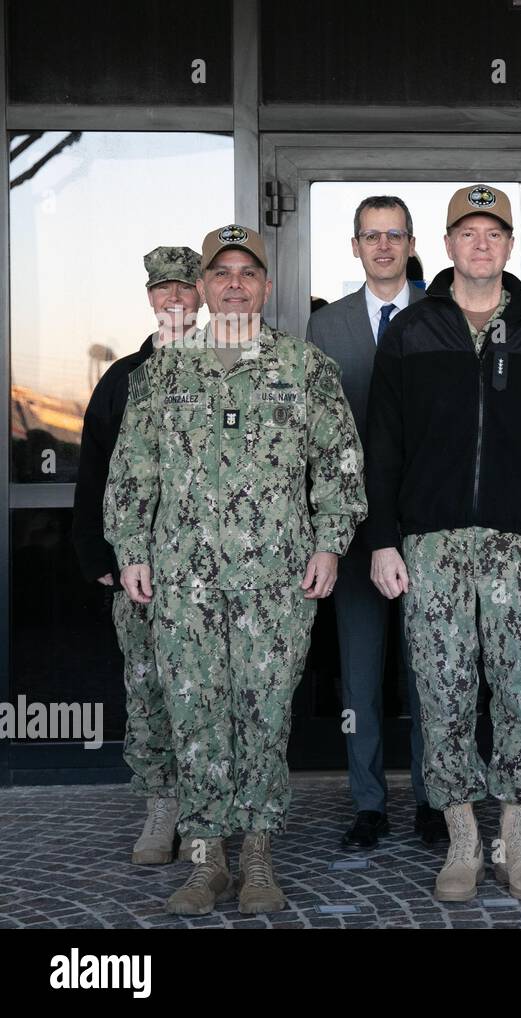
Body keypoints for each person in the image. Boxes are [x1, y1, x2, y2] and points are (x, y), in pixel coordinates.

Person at [105, 224, 367, 916]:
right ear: (203, 286)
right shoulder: (164, 371)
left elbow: (340, 465)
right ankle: (206, 861)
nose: (233, 284)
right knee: (195, 716)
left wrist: (330, 544)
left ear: (266, 287)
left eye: (247, 273)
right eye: (220, 273)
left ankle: (257, 855)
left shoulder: (305, 368)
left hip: (275, 582)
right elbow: (132, 470)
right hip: (182, 580)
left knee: (263, 715)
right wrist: (131, 550)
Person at [366, 185, 521, 902]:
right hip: (432, 545)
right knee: (443, 693)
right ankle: (463, 840)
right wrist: (384, 541)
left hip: (520, 546)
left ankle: (515, 839)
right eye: (468, 232)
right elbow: (384, 446)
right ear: (448, 244)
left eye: (494, 233)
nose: (481, 244)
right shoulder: (412, 331)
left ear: (510, 245)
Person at [305, 196, 439, 851]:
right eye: (370, 236)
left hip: (427, 523)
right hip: (353, 526)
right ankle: (368, 803)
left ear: (411, 243)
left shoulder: (442, 316)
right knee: (360, 674)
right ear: (354, 246)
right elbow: (309, 428)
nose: (383, 246)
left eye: (394, 235)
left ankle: (436, 801)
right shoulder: (325, 326)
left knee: (431, 672)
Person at [72, 245, 201, 866]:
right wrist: (97, 550)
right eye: (162, 288)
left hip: (212, 568)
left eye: (184, 287)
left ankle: (209, 812)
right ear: (150, 298)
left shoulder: (228, 367)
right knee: (149, 689)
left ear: (201, 296)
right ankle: (161, 806)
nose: (173, 297)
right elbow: (94, 470)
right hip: (140, 567)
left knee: (210, 693)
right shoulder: (123, 377)